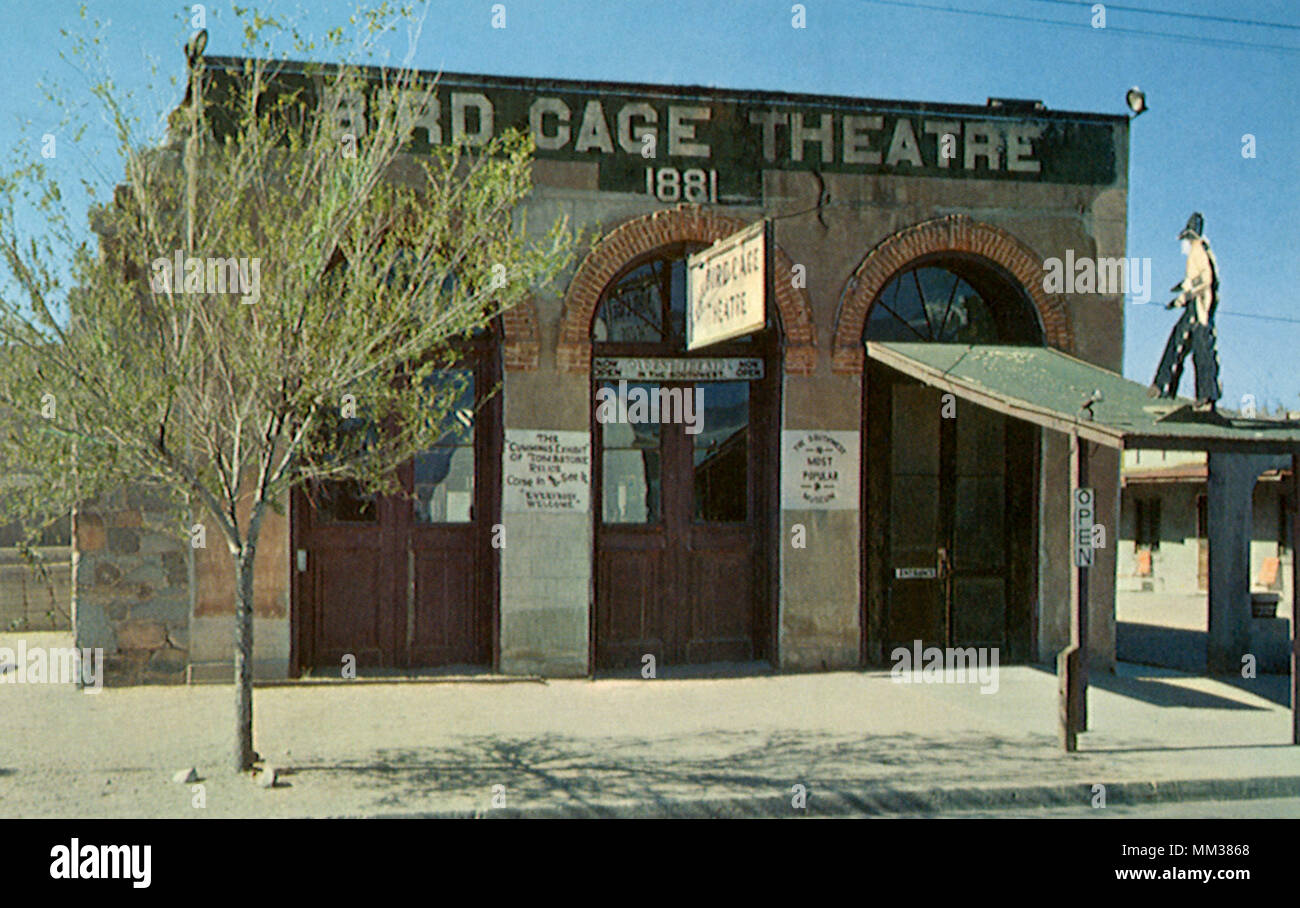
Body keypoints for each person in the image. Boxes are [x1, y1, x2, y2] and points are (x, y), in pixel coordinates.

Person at [1149, 212, 1221, 408]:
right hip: (1197, 305)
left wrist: (1182, 298)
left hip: (1199, 307)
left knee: (1188, 345)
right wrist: (1181, 288)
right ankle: (1194, 392)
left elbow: (1205, 281)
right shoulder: (1201, 251)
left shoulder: (1197, 250)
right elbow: (1195, 278)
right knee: (1190, 346)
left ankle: (1165, 386)